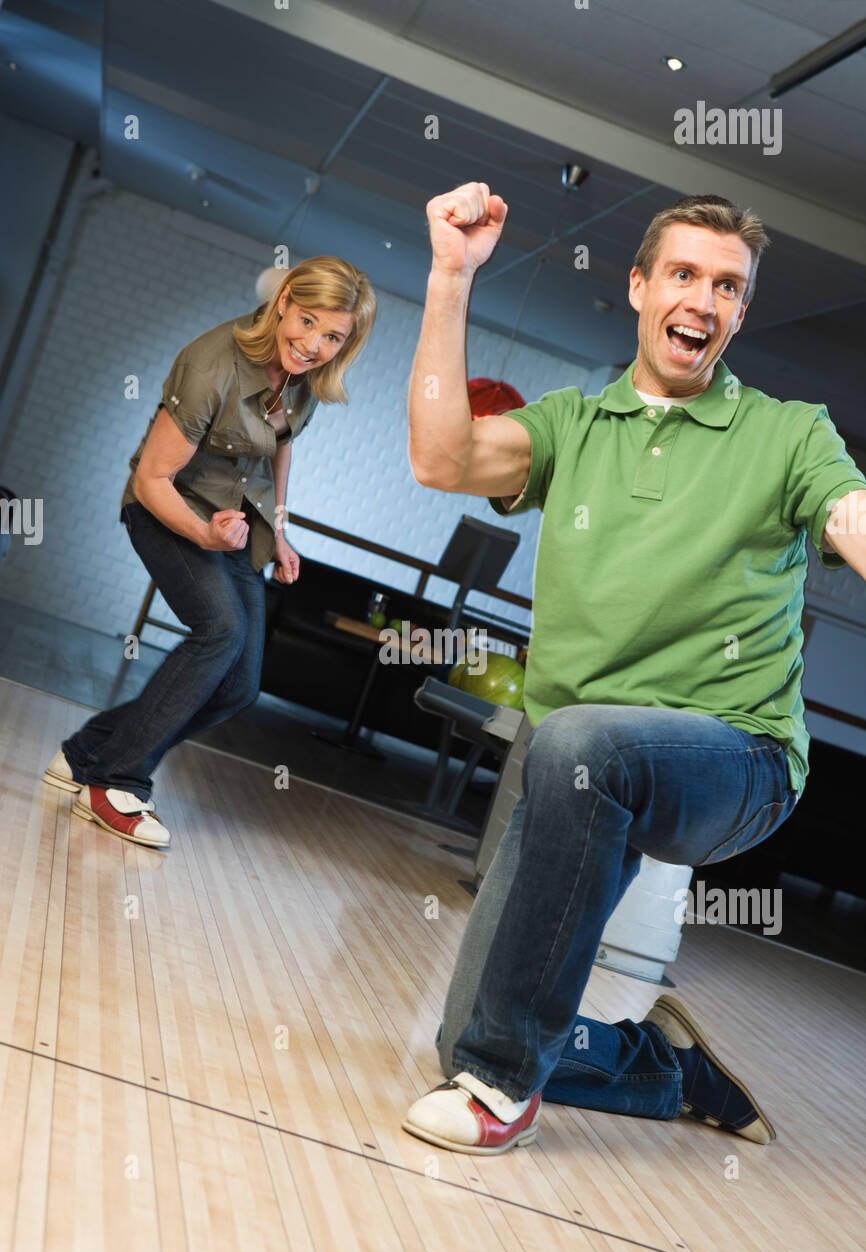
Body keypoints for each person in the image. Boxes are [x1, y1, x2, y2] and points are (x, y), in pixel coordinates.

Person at [403, 183, 866, 1156]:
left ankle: (503, 1089)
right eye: (684, 275)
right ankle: (662, 1065)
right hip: (579, 761)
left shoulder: (789, 434)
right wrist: (450, 276)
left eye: (726, 286)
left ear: (739, 311)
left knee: (493, 1047)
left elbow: (846, 517)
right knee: (462, 1033)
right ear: (638, 287)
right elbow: (441, 458)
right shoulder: (572, 427)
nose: (701, 300)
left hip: (734, 762)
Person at [43, 256, 376, 847]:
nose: (314, 345)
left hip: (236, 526)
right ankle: (117, 784)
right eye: (307, 322)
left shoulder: (303, 382)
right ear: (284, 302)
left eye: (333, 336)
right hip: (167, 511)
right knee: (219, 632)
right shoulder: (212, 363)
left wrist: (278, 529)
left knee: (239, 685)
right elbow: (150, 480)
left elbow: (279, 448)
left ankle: (86, 755)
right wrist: (203, 534)